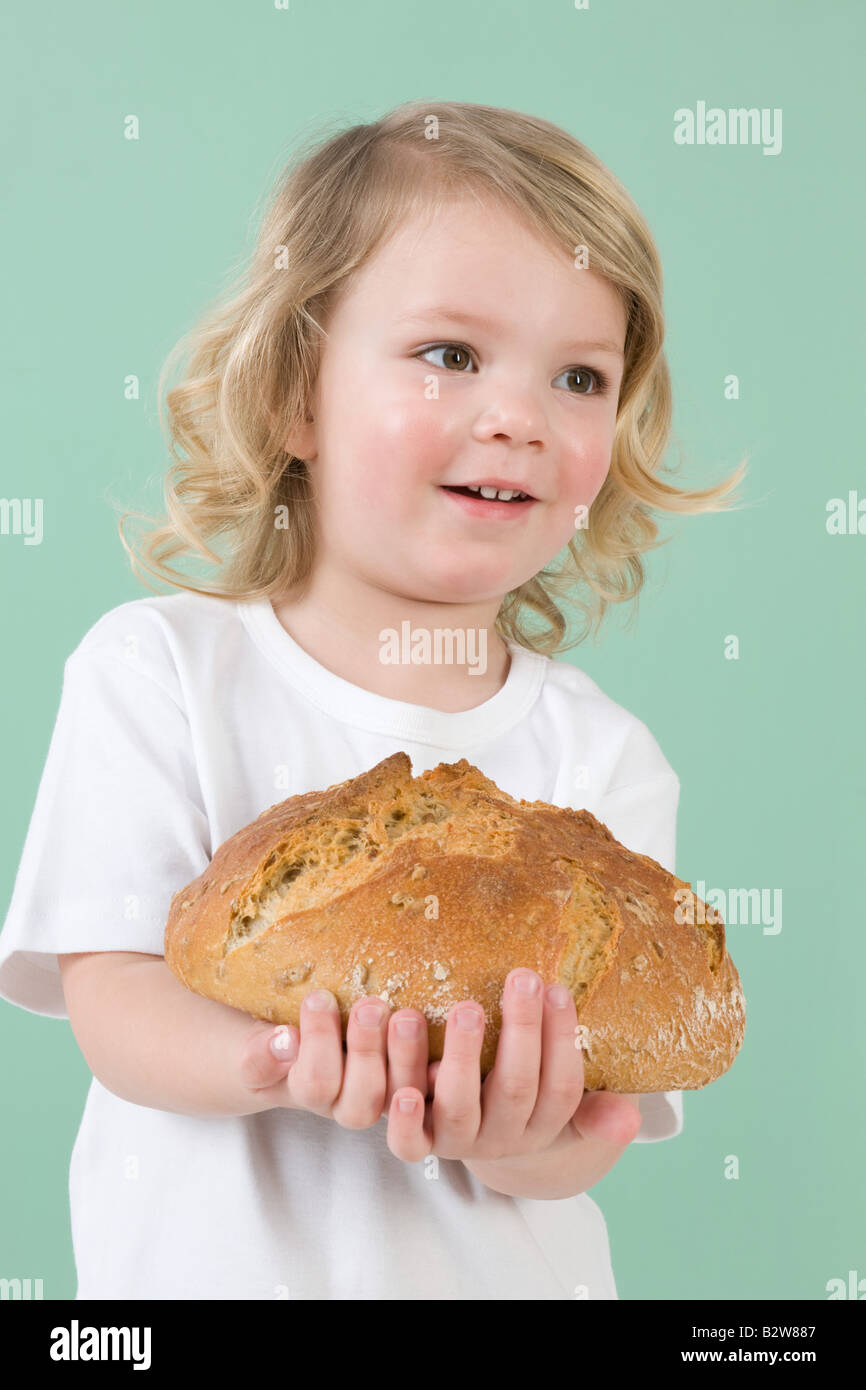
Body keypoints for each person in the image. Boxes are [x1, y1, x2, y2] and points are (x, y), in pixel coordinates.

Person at [0, 99, 746, 1300]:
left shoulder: (601, 759)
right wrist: (288, 1058)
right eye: (450, 355)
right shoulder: (162, 672)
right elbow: (111, 1000)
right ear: (299, 392)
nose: (518, 416)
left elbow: (592, 1130)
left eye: (578, 375)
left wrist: (514, 1133)